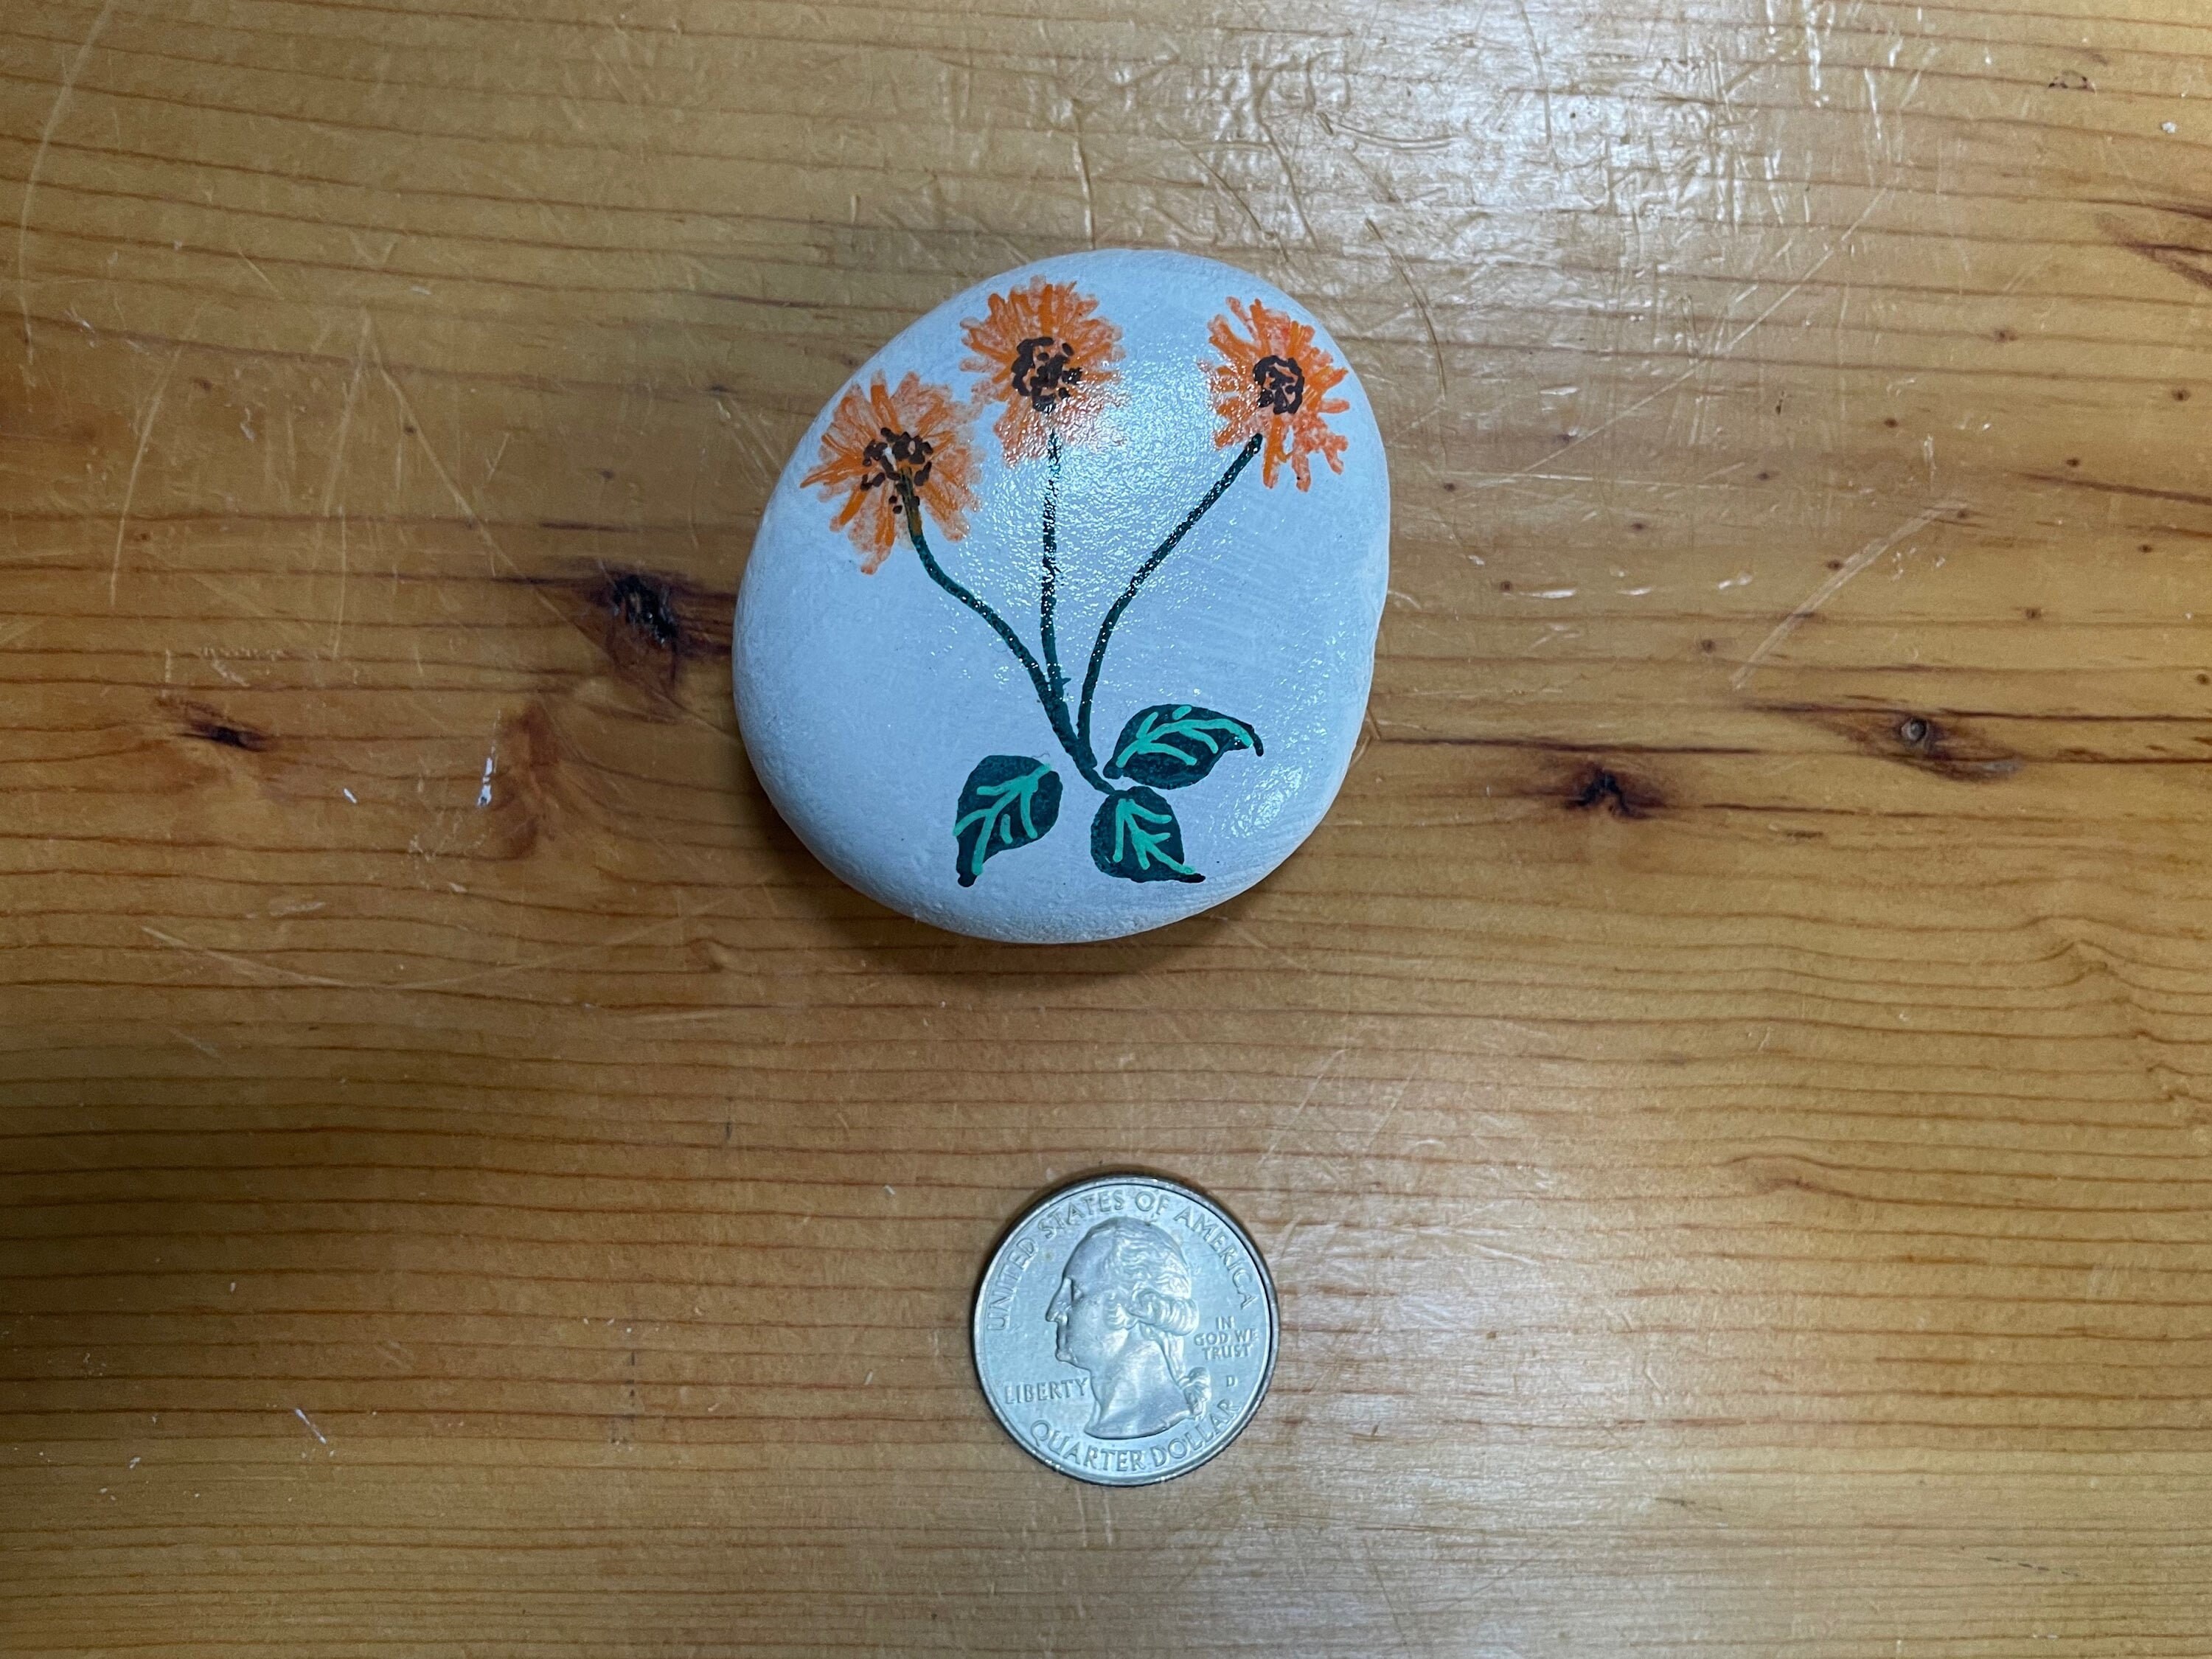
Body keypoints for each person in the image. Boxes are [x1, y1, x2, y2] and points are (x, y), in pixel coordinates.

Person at [1045, 1217, 1212, 1439]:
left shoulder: (1145, 1419)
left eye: (1076, 1292)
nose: (1055, 1311)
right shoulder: (1112, 1421)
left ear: (1127, 1308)